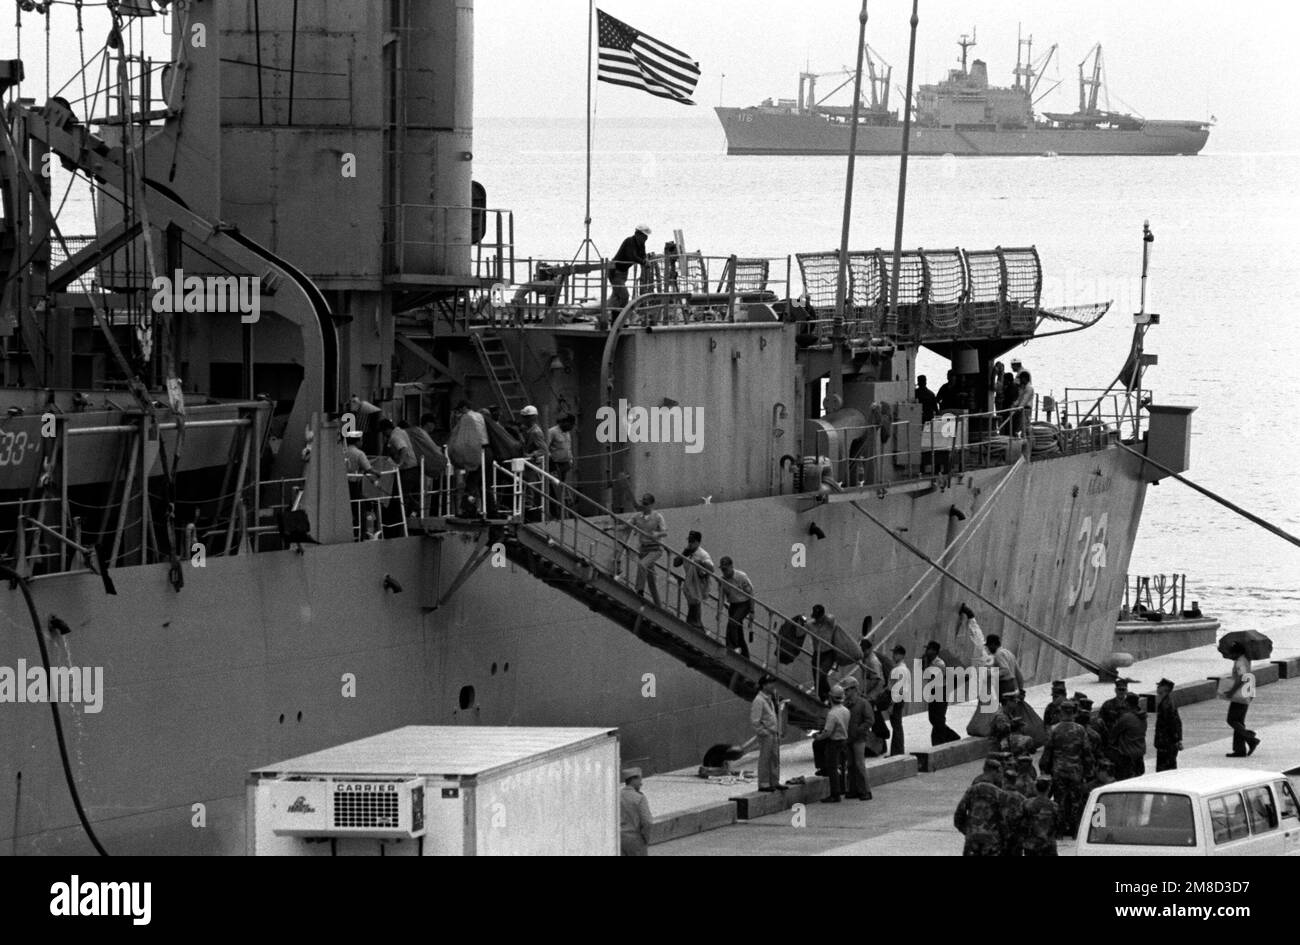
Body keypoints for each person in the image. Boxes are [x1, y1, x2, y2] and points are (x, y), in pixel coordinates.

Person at [1040, 700, 1092, 838]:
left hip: (1059, 770)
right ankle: (1075, 832)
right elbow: (1086, 752)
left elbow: (1048, 752)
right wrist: (1088, 771)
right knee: (1076, 802)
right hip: (1076, 771)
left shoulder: (1054, 729)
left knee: (1059, 801)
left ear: (1061, 712)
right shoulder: (1080, 730)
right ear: (1074, 713)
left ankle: (1060, 832)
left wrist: (1044, 769)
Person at [806, 605, 863, 703]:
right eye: (816, 617)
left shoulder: (829, 623)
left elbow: (831, 617)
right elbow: (801, 629)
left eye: (819, 617)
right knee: (817, 678)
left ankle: (830, 697)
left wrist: (823, 618)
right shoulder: (810, 625)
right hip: (817, 653)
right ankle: (822, 697)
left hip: (828, 653)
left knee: (821, 675)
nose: (817, 619)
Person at [448, 401, 490, 517]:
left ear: (465, 408)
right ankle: (487, 508)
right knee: (481, 483)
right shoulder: (479, 416)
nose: (459, 412)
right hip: (485, 450)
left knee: (471, 483)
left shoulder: (467, 418)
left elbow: (466, 438)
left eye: (460, 409)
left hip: (476, 451)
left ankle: (469, 509)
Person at [629, 493, 667, 606]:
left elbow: (664, 532)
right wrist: (613, 526)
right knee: (651, 581)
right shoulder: (637, 517)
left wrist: (657, 534)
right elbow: (627, 524)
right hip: (644, 549)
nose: (643, 506)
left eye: (646, 504)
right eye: (642, 503)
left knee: (642, 565)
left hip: (655, 549)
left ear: (651, 505)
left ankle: (639, 590)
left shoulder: (658, 517)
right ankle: (658, 605)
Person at [954, 773, 1006, 856]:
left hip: (973, 835)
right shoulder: (999, 793)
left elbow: (959, 813)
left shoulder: (971, 791)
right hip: (992, 837)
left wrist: (966, 830)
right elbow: (1004, 818)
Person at [1222, 641, 1260, 757]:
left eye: (1231, 653)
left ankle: (1250, 738)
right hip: (1248, 692)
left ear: (1236, 652)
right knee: (1239, 721)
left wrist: (1231, 691)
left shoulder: (1240, 662)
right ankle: (1239, 749)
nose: (1230, 656)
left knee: (1231, 720)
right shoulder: (1246, 659)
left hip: (1241, 693)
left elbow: (1241, 679)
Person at [814, 686, 850, 802]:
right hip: (844, 740)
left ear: (831, 698)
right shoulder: (846, 711)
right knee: (842, 766)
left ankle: (835, 794)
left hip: (834, 742)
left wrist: (818, 737)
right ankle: (843, 789)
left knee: (832, 768)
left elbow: (828, 732)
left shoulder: (832, 714)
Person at [379, 418, 421, 518]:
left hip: (407, 469)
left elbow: (403, 448)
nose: (383, 435)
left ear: (386, 429)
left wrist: (399, 464)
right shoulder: (401, 431)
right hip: (414, 468)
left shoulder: (394, 436)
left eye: (383, 432)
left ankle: (404, 518)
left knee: (402, 495)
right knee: (409, 494)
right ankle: (413, 513)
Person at [342, 429, 380, 538]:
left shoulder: (343, 451)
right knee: (360, 510)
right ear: (357, 441)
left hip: (342, 485)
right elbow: (368, 469)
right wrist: (377, 473)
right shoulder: (359, 453)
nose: (362, 442)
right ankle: (362, 534)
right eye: (361, 440)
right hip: (353, 485)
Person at [922, 640, 962, 745]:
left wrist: (925, 664)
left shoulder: (939, 664)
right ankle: (951, 737)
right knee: (933, 718)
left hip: (941, 691)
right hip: (934, 690)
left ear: (934, 651)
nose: (926, 651)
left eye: (928, 649)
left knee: (938, 718)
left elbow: (930, 676)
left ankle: (940, 741)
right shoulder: (930, 662)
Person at [751, 674, 785, 792]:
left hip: (773, 733)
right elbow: (755, 720)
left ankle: (774, 782)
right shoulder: (759, 701)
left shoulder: (769, 699)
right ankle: (764, 784)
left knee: (775, 758)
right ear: (764, 685)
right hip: (766, 734)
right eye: (770, 683)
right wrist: (763, 732)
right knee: (765, 759)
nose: (773, 685)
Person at [673, 530, 714, 628]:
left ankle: (693, 626)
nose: (690, 544)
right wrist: (684, 553)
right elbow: (675, 564)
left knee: (694, 606)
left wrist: (701, 563)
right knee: (693, 607)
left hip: (699, 583)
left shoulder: (703, 554)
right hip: (689, 582)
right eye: (689, 541)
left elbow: (711, 568)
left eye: (692, 541)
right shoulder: (687, 551)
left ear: (698, 542)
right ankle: (697, 626)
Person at [842, 677, 874, 801]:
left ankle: (866, 790)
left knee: (860, 764)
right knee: (850, 765)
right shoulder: (846, 704)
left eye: (848, 690)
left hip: (859, 739)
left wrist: (859, 730)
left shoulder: (863, 703)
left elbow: (870, 720)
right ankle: (853, 789)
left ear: (854, 689)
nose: (846, 693)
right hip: (849, 738)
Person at [718, 557, 753, 659]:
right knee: (737, 632)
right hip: (733, 605)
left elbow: (751, 594)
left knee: (733, 623)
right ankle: (745, 656)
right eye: (722, 570)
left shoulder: (741, 577)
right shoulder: (722, 580)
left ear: (731, 566)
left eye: (726, 569)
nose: (724, 572)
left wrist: (752, 611)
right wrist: (719, 611)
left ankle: (734, 648)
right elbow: (721, 597)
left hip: (744, 604)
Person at [609, 223, 651, 311]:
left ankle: (610, 317)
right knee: (624, 296)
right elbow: (631, 256)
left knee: (616, 297)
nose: (646, 239)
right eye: (644, 237)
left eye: (646, 237)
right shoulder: (629, 241)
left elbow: (642, 254)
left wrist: (645, 259)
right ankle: (619, 318)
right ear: (638, 234)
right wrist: (643, 262)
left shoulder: (641, 244)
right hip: (615, 271)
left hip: (623, 272)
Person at [1110, 693, 1148, 779]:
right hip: (1139, 752)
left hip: (1128, 754)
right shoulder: (1143, 716)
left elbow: (1114, 732)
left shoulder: (1127, 718)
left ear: (1127, 703)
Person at [546, 413, 575, 516]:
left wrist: (570, 459)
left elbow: (568, 447)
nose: (571, 427)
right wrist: (551, 460)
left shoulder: (567, 433)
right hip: (555, 464)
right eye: (570, 424)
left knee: (563, 488)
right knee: (555, 488)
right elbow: (546, 447)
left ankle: (563, 511)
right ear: (564, 422)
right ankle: (556, 512)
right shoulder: (552, 432)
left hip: (565, 465)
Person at [1021, 778, 1059, 856]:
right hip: (1048, 845)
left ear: (1036, 788)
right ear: (1048, 789)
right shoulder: (1054, 806)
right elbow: (1058, 824)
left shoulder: (1026, 804)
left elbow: (1021, 822)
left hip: (1031, 844)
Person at [619, 767, 653, 856]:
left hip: (619, 839)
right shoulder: (639, 798)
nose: (641, 783)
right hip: (635, 839)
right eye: (640, 779)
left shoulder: (616, 797)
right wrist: (645, 838)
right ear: (633, 779)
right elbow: (647, 821)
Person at [1154, 677, 1183, 771]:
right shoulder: (1169, 701)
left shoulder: (1165, 705)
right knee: (1171, 767)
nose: (1157, 687)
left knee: (1164, 770)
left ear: (1164, 689)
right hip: (1169, 742)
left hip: (1166, 743)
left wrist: (1176, 740)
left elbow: (1171, 724)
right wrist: (1178, 739)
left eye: (1159, 686)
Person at [984, 632, 1024, 698]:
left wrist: (991, 674)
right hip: (1013, 685)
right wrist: (1020, 689)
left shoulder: (998, 654)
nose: (988, 649)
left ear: (993, 645)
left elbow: (1005, 670)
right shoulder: (1009, 653)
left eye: (989, 646)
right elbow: (1018, 673)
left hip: (1004, 686)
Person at [887, 644, 908, 756]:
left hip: (896, 700)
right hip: (900, 699)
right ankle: (896, 751)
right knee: (897, 726)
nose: (893, 656)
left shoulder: (899, 670)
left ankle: (898, 751)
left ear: (901, 655)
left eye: (895, 653)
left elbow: (897, 689)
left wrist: (892, 704)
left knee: (896, 726)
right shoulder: (903, 668)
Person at [1011, 370, 1034, 436]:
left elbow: (1024, 400)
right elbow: (1019, 398)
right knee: (1019, 425)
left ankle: (1027, 440)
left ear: (1024, 378)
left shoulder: (1029, 388)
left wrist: (1018, 408)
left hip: (1026, 409)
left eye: (1021, 379)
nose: (1020, 380)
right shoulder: (1023, 388)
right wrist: (1013, 405)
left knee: (1025, 426)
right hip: (1021, 409)